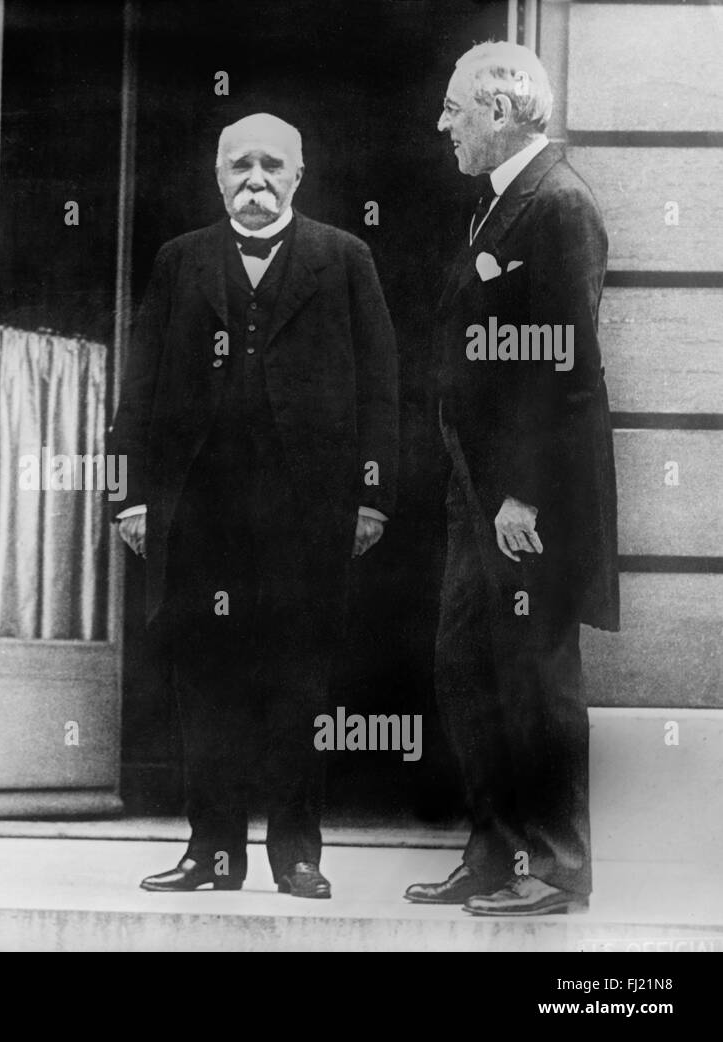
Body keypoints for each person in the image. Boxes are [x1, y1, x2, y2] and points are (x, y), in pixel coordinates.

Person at [110, 113, 398, 897]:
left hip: (306, 513)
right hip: (199, 513)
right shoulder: (180, 261)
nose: (256, 181)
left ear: (299, 177)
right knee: (205, 681)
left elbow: (381, 385)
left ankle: (298, 854)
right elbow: (138, 384)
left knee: (299, 683)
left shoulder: (344, 258)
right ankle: (212, 852)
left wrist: (371, 494)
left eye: (273, 166)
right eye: (240, 166)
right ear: (217, 175)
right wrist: (130, 493)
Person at [404, 42, 618, 916]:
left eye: (454, 109)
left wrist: (521, 494)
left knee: (537, 677)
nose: (443, 125)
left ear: (500, 113)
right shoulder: (500, 207)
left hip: (529, 502)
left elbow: (564, 368)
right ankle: (492, 852)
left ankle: (560, 866)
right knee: (466, 665)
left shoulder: (558, 205)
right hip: (481, 496)